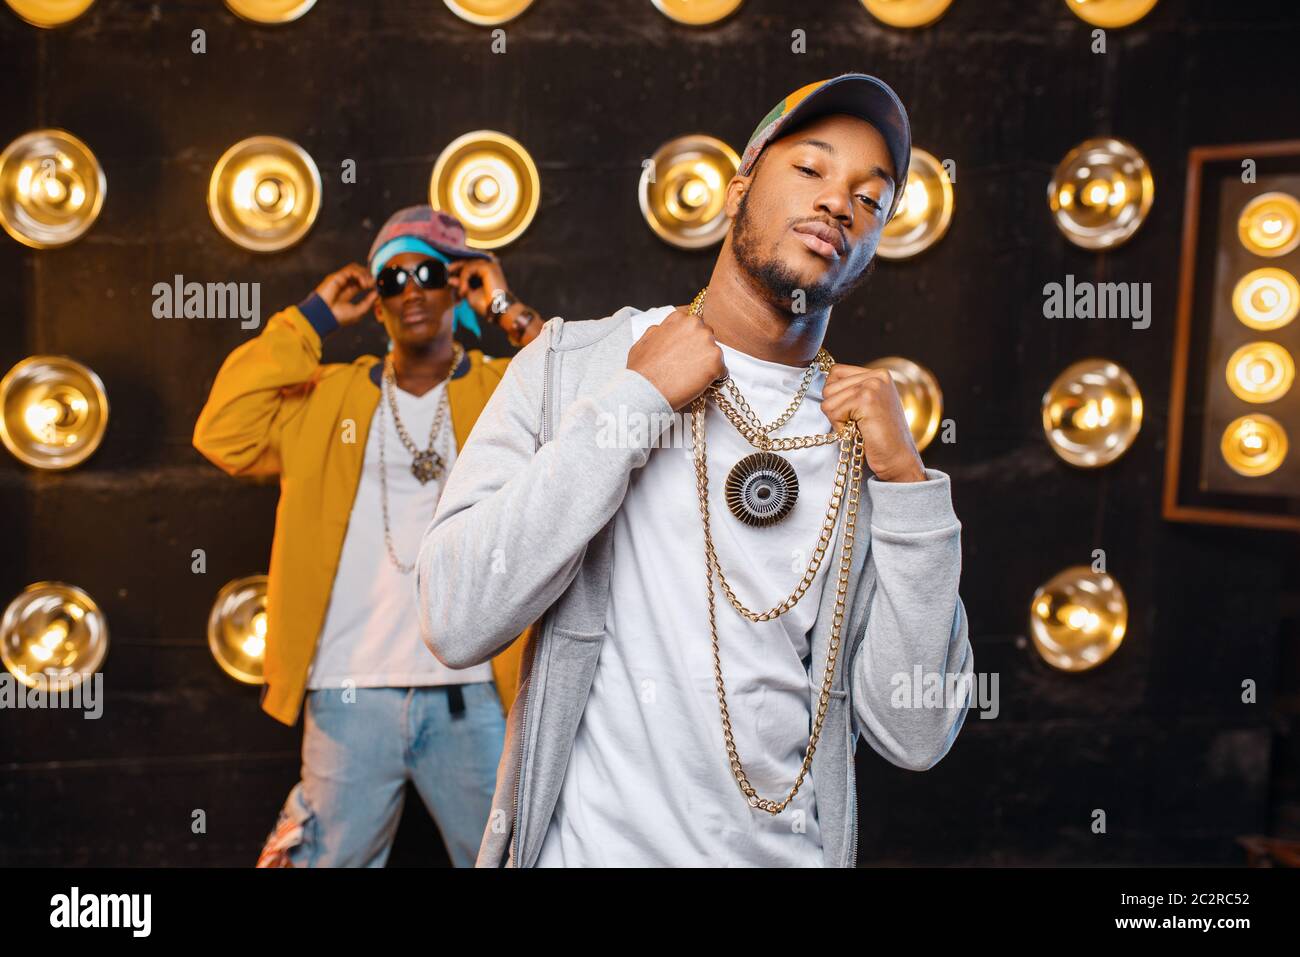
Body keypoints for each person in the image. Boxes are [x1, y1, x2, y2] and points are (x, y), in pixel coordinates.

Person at [417, 73, 974, 868]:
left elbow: (916, 734)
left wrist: (911, 490)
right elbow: (456, 614)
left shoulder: (868, 439)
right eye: (811, 170)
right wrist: (636, 403)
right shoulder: (574, 365)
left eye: (870, 198)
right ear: (736, 190)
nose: (838, 203)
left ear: (875, 245)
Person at [193, 205, 544, 867]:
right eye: (391, 279)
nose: (410, 288)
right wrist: (313, 318)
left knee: (519, 858)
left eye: (428, 272)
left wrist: (503, 306)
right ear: (376, 304)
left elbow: (593, 409)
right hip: (348, 691)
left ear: (456, 284)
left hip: (477, 689)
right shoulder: (326, 397)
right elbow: (223, 431)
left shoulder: (505, 389)